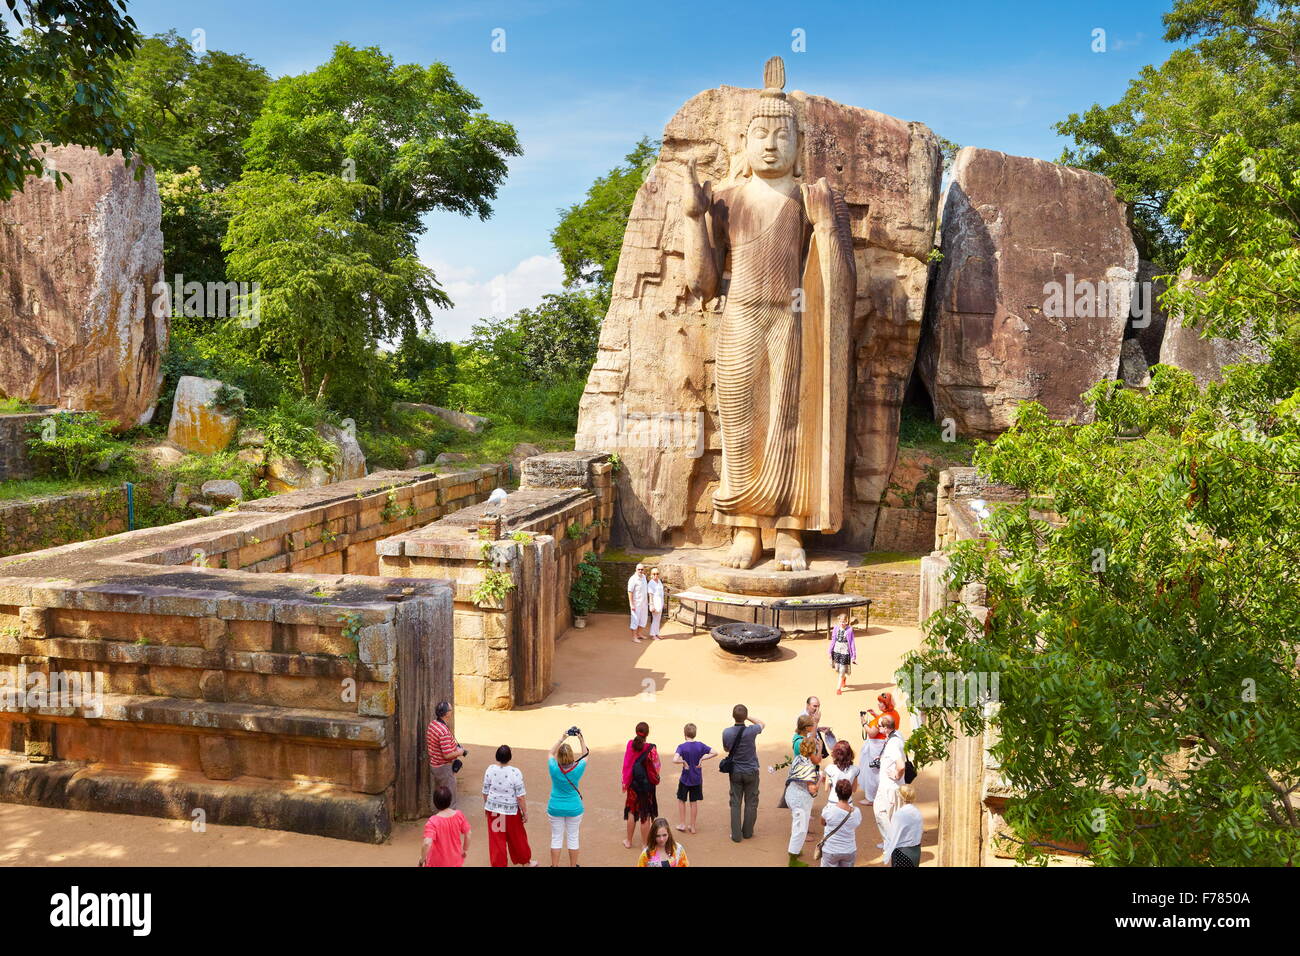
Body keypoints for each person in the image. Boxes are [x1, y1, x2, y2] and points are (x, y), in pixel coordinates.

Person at [482, 744, 539, 867]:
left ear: (497, 756)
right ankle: (525, 861)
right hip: (511, 812)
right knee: (518, 838)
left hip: (494, 811)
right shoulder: (515, 772)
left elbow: (485, 791)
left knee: (497, 840)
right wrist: (525, 812)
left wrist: (487, 806)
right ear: (510, 757)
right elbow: (520, 796)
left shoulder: (490, 769)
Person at [722, 704, 765, 842]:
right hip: (751, 771)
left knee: (735, 802)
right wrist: (748, 717)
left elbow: (726, 749)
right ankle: (747, 832)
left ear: (733, 716)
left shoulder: (727, 732)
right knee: (751, 802)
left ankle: (736, 835)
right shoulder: (752, 730)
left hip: (735, 771)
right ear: (745, 717)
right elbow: (762, 723)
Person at [546, 728, 589, 867]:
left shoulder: (553, 767)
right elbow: (585, 754)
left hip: (555, 807)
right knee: (573, 837)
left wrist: (562, 738)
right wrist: (581, 739)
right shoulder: (578, 768)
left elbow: (550, 753)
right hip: (574, 808)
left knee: (556, 838)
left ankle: (555, 865)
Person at [621, 722, 660, 848]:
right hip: (647, 786)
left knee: (632, 811)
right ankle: (645, 844)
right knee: (646, 813)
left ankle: (628, 841)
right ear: (647, 734)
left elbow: (626, 764)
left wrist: (625, 782)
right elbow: (656, 767)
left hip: (633, 784)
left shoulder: (629, 744)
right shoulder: (651, 748)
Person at [783, 735, 820, 866]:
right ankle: (792, 861)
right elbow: (812, 790)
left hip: (791, 795)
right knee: (800, 829)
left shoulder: (797, 758)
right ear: (812, 751)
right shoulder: (809, 767)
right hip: (800, 801)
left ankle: (795, 851)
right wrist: (819, 779)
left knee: (798, 826)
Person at [871, 715, 907, 851]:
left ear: (886, 728)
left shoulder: (893, 744)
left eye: (879, 726)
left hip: (891, 787)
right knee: (882, 812)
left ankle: (892, 843)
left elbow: (901, 765)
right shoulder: (896, 735)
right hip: (887, 785)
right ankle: (889, 841)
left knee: (888, 815)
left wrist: (897, 774)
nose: (878, 728)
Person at [672, 723, 716, 833]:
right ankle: (692, 826)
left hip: (685, 778)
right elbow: (715, 752)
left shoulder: (681, 747)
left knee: (681, 800)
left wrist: (683, 761)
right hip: (696, 779)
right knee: (693, 802)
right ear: (694, 734)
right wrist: (702, 758)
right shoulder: (700, 745)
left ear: (685, 734)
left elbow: (674, 760)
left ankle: (682, 824)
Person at [859, 692, 901, 807]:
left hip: (876, 745)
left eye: (881, 703)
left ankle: (871, 798)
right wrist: (875, 715)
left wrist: (864, 724)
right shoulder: (894, 713)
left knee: (872, 771)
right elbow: (887, 722)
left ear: (886, 705)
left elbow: (872, 733)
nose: (879, 704)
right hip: (884, 743)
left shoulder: (882, 718)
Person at [426, 700, 467, 808]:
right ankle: (449, 820)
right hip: (443, 767)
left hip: (435, 764)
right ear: (446, 713)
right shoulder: (443, 731)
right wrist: (460, 752)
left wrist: (454, 747)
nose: (452, 711)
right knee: (450, 797)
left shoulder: (433, 724)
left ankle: (437, 816)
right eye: (450, 710)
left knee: (439, 794)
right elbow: (447, 755)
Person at [419, 785, 471, 867]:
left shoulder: (433, 822)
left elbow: (427, 843)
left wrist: (421, 860)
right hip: (456, 860)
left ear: (435, 802)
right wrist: (464, 850)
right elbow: (468, 834)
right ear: (450, 800)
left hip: (437, 863)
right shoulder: (459, 815)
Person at [819, 777, 862, 867]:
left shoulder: (828, 810)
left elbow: (823, 823)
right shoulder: (856, 812)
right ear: (850, 793)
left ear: (836, 793)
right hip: (849, 850)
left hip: (830, 850)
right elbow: (856, 824)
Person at [883, 784, 923, 867]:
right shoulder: (917, 812)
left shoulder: (899, 814)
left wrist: (887, 853)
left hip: (902, 853)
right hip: (916, 851)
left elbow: (892, 836)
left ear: (900, 796)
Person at [828, 613, 856, 695]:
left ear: (847, 621)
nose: (842, 623)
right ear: (838, 621)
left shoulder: (850, 630)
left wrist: (853, 656)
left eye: (844, 622)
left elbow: (852, 643)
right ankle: (844, 678)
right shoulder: (836, 628)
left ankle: (838, 688)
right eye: (841, 621)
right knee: (837, 669)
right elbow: (833, 640)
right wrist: (830, 651)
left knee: (842, 670)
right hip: (836, 651)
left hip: (845, 652)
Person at [627, 563, 649, 642]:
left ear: (643, 570)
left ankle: (639, 634)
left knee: (643, 619)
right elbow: (630, 592)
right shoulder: (633, 579)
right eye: (639, 569)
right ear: (636, 570)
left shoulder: (644, 577)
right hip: (636, 603)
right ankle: (634, 637)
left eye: (642, 569)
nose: (640, 571)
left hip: (644, 603)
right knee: (635, 620)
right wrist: (631, 604)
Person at [647, 566, 666, 639]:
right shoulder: (651, 583)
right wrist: (651, 605)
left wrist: (663, 603)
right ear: (651, 575)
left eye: (657, 574)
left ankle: (657, 633)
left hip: (660, 603)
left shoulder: (659, 581)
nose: (656, 575)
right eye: (654, 574)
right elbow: (650, 595)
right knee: (655, 619)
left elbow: (661, 593)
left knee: (658, 619)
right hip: (655, 603)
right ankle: (653, 635)